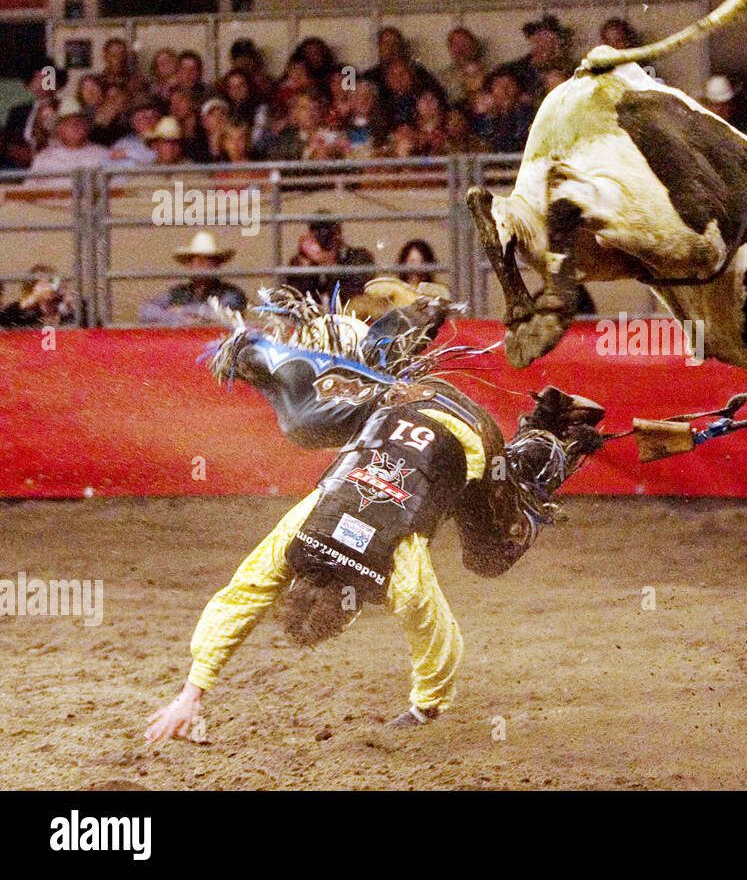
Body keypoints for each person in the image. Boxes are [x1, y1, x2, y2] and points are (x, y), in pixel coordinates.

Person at [145, 286, 606, 739]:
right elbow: (243, 595)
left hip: (470, 430)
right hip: (406, 395)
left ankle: (550, 432)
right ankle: (410, 320)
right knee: (304, 424)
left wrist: (426, 707)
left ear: (348, 613)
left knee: (492, 553)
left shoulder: (396, 574)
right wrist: (192, 690)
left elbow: (437, 635)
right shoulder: (302, 531)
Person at [139, 232, 247, 326]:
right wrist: (176, 318)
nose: (203, 266)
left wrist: (181, 310)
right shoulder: (178, 292)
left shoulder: (232, 293)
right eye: (197, 261)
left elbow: (222, 314)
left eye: (209, 261)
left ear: (217, 265)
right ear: (189, 266)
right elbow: (145, 311)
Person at [287, 217, 375, 303]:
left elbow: (352, 299)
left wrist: (328, 262)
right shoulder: (302, 261)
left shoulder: (358, 258)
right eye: (318, 235)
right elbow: (296, 301)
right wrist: (306, 269)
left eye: (327, 235)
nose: (324, 241)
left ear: (338, 236)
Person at [0, 265, 80, 328]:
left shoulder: (66, 312)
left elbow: (88, 321)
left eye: (52, 283)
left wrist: (72, 305)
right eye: (45, 286)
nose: (50, 291)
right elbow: (5, 319)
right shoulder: (24, 314)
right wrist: (34, 298)